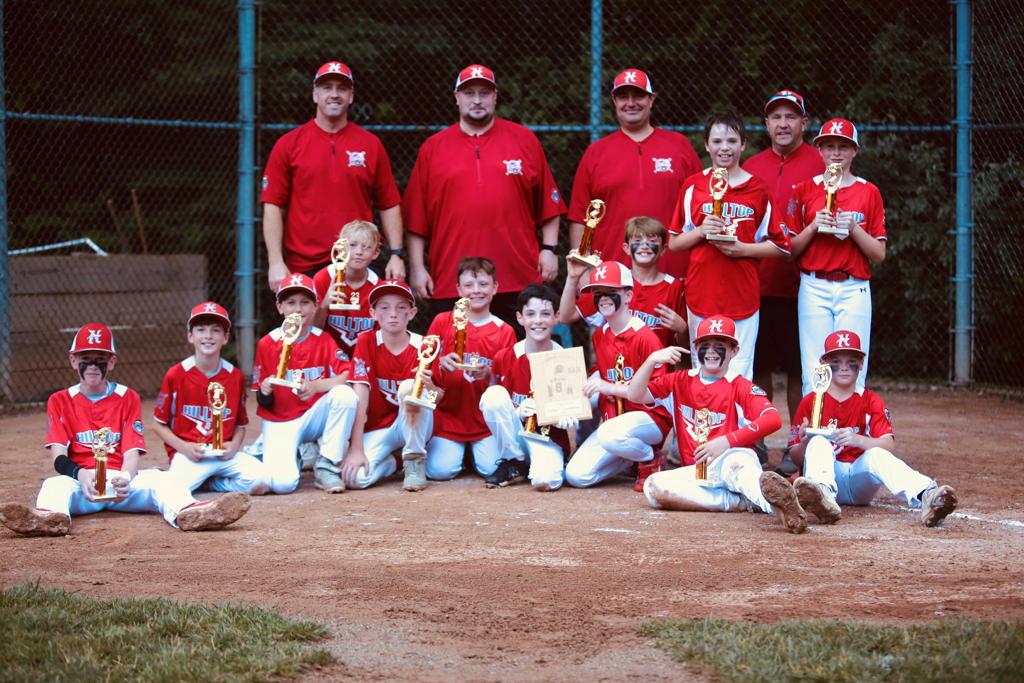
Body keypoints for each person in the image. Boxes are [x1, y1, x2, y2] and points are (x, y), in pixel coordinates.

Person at [0, 323, 251, 537]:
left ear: (112, 361)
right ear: (73, 360)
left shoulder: (127, 396)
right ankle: (48, 519)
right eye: (85, 358)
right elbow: (59, 458)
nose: (92, 365)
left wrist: (127, 478)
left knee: (163, 479)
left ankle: (190, 513)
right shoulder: (60, 400)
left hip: (122, 483)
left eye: (100, 358)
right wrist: (81, 475)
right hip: (82, 484)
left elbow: (131, 451)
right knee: (54, 485)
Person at [403, 64, 566, 328]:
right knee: (453, 363)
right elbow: (416, 219)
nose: (477, 100)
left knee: (519, 361)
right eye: (469, 93)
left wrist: (549, 249)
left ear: (495, 96)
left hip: (517, 275)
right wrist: (418, 267)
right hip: (452, 279)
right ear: (456, 97)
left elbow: (548, 202)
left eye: (484, 92)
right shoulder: (433, 148)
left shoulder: (523, 140)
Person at [627, 315, 808, 534]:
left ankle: (781, 507)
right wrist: (651, 360)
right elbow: (634, 394)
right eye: (705, 345)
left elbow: (772, 419)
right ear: (695, 349)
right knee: (653, 487)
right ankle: (740, 502)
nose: (711, 351)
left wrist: (726, 441)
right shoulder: (679, 380)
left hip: (732, 458)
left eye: (719, 345)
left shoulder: (739, 385)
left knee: (739, 467)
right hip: (698, 471)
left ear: (734, 351)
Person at [787, 330, 958, 528]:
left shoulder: (870, 400)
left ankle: (927, 495)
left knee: (877, 454)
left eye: (851, 361)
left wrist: (858, 440)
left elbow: (888, 444)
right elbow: (795, 458)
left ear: (860, 364)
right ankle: (822, 498)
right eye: (836, 362)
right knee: (817, 441)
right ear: (824, 364)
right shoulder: (811, 401)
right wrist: (806, 441)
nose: (843, 368)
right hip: (825, 477)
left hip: (860, 480)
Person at [668, 111, 791, 381]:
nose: (725, 148)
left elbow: (782, 246)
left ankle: (735, 425)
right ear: (707, 145)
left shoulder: (758, 188)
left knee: (739, 374)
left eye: (732, 141)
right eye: (718, 141)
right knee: (703, 370)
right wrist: (701, 231)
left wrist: (743, 249)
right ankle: (704, 425)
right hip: (701, 293)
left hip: (742, 295)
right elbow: (674, 243)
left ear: (743, 145)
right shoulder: (693, 186)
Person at [261, 61, 405, 290]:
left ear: (351, 96)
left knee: (363, 327)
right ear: (315, 95)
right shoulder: (289, 144)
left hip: (357, 262)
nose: (334, 94)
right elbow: (272, 205)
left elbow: (388, 204)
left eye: (342, 88)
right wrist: (276, 261)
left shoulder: (371, 144)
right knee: (304, 326)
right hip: (304, 264)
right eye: (327, 87)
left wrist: (397, 254)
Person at [568, 68, 701, 279]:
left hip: (674, 273)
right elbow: (579, 218)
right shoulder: (597, 152)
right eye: (623, 96)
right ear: (614, 101)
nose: (630, 102)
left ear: (651, 99)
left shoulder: (679, 146)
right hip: (612, 276)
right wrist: (583, 273)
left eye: (638, 95)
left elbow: (701, 210)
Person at [743, 90, 824, 426]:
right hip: (755, 284)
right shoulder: (750, 166)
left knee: (799, 369)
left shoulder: (820, 164)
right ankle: (756, 440)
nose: (783, 123)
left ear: (804, 123)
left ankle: (797, 441)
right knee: (757, 367)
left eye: (791, 116)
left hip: (801, 285)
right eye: (776, 117)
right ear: (766, 124)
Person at [788, 118, 886, 394]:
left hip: (853, 286)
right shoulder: (805, 189)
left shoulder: (868, 191)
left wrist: (853, 228)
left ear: (855, 150)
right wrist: (813, 227)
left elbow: (879, 254)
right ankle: (818, 432)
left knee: (853, 361)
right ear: (819, 150)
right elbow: (790, 249)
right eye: (829, 146)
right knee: (814, 366)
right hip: (814, 284)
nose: (836, 153)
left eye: (843, 146)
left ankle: (851, 431)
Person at [561, 261, 674, 492]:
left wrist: (608, 387)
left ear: (629, 295)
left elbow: (653, 394)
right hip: (617, 421)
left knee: (608, 433)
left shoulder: (645, 336)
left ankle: (649, 457)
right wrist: (567, 403)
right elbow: (598, 382)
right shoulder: (601, 335)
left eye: (611, 293)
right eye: (598, 293)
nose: (603, 298)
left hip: (650, 418)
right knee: (576, 475)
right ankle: (628, 457)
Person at [252, 274, 357, 494]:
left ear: (316, 306)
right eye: (291, 303)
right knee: (282, 484)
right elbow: (262, 400)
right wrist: (265, 391)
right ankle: (283, 453)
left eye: (305, 302)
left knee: (345, 395)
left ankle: (327, 463)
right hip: (281, 421)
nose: (298, 309)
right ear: (280, 307)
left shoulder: (323, 339)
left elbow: (347, 375)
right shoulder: (267, 343)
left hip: (312, 417)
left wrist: (317, 386)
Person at [153, 302, 270, 495]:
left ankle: (212, 484)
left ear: (225, 338)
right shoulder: (176, 374)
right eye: (201, 330)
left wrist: (234, 446)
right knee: (173, 491)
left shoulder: (235, 376)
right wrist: (184, 448)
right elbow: (158, 424)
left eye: (215, 330)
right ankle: (165, 476)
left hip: (223, 454)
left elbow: (240, 425)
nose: (208, 336)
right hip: (190, 454)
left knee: (262, 481)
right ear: (190, 336)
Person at [424, 257, 517, 481]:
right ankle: (460, 454)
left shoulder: (504, 331)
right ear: (458, 289)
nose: (476, 291)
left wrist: (489, 375)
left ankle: (472, 455)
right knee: (439, 471)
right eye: (468, 285)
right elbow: (422, 370)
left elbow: (509, 387)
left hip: (484, 423)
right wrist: (440, 363)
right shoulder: (442, 321)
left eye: (483, 284)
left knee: (488, 469)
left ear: (495, 288)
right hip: (447, 418)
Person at [341, 280, 437, 492]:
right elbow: (360, 396)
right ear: (373, 313)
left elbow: (437, 399)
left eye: (401, 307)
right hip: (381, 427)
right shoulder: (365, 342)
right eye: (384, 307)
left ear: (412, 313)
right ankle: (396, 462)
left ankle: (414, 461)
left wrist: (428, 388)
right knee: (355, 478)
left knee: (410, 387)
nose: (393, 313)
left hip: (415, 425)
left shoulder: (424, 346)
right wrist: (356, 448)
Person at [480, 284, 573, 491]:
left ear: (556, 317)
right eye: (530, 314)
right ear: (520, 318)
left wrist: (563, 416)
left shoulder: (565, 360)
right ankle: (513, 461)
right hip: (514, 436)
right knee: (493, 395)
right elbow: (496, 408)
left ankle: (545, 463)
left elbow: (569, 414)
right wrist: (518, 412)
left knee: (546, 481)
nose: (538, 321)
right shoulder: (504, 357)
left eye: (545, 314)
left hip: (546, 436)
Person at [561, 215, 687, 348]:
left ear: (663, 249)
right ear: (626, 248)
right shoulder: (614, 279)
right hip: (615, 365)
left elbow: (685, 346)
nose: (644, 246)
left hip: (658, 366)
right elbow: (566, 317)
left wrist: (683, 329)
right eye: (638, 240)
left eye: (652, 241)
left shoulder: (674, 286)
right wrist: (572, 278)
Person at [312, 219, 382, 362]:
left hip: (364, 359)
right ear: (339, 249)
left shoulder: (378, 287)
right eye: (352, 245)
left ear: (375, 253)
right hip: (326, 358)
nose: (359, 252)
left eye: (367, 247)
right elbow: (311, 332)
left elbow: (381, 337)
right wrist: (324, 305)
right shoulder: (323, 278)